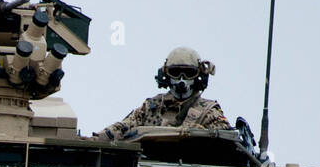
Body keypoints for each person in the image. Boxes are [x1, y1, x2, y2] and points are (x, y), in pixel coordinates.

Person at [94, 47, 231, 142]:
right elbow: (122, 128)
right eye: (175, 73)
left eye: (188, 73)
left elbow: (225, 138)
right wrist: (97, 139)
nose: (181, 79)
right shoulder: (151, 107)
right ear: (165, 75)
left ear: (198, 76)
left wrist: (199, 133)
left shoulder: (208, 112)